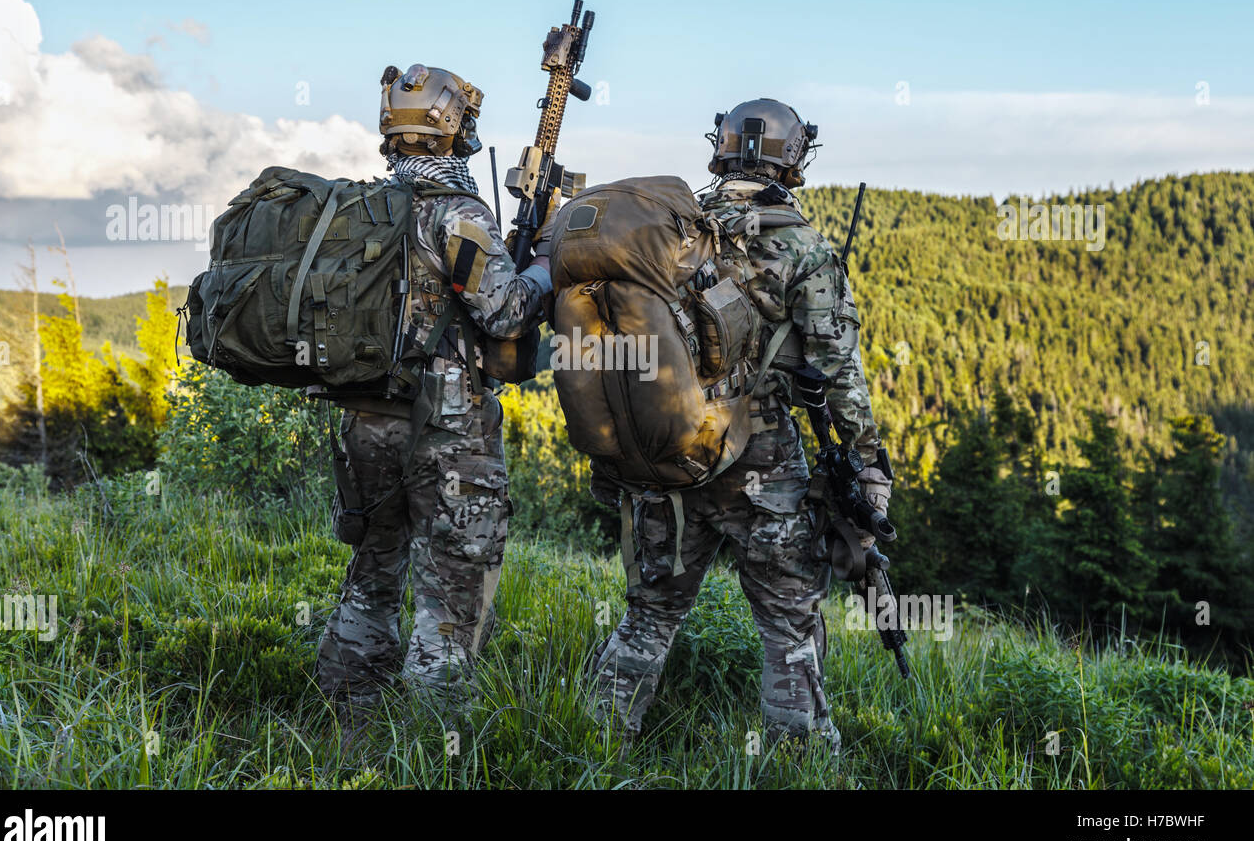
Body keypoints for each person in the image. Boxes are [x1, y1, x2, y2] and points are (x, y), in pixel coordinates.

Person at [589, 98, 893, 753]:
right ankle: (799, 764)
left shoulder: (668, 229)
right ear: (793, 159)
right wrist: (868, 466)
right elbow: (839, 375)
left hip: (662, 449)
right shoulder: (806, 250)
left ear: (720, 149)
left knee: (647, 618)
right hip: (762, 463)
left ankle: (589, 745)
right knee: (789, 631)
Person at [314, 63, 552, 716]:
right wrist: (544, 272)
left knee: (371, 573)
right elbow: (504, 314)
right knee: (450, 597)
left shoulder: (360, 210)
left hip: (364, 420)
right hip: (446, 429)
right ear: (454, 129)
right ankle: (430, 747)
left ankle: (349, 723)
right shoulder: (457, 215)